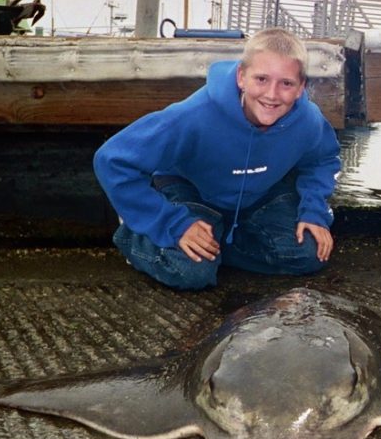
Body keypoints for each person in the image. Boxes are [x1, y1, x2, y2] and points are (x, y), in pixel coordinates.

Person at [93, 28, 341, 290]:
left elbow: (323, 160)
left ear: (301, 88)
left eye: (286, 84)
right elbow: (112, 160)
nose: (272, 94)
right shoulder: (194, 115)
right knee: (191, 272)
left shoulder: (309, 120)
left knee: (310, 254)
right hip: (192, 190)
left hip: (255, 198)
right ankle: (138, 236)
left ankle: (217, 244)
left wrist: (313, 211)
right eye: (261, 79)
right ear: (241, 77)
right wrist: (172, 224)